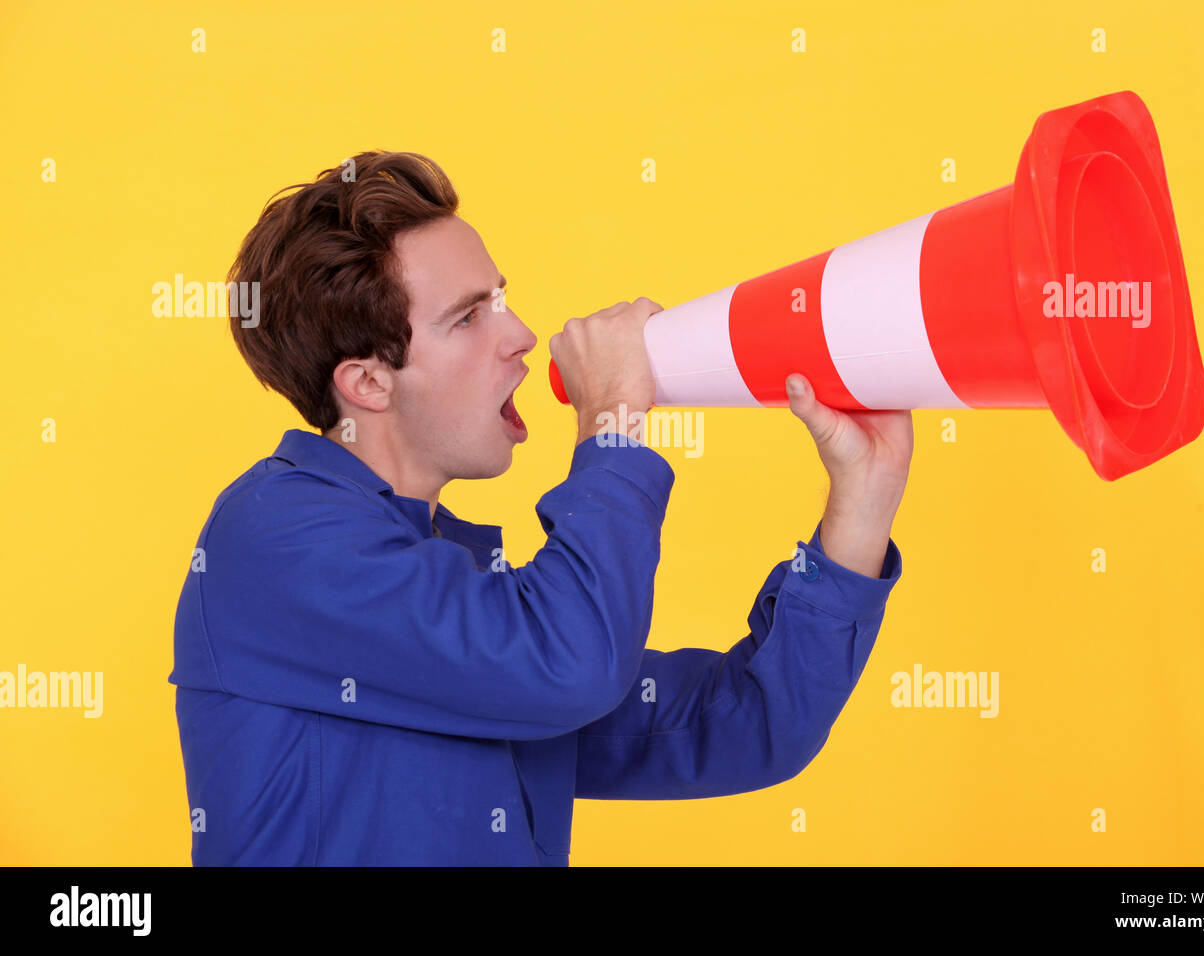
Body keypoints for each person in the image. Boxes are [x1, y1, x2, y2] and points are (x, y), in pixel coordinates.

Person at [169, 151, 913, 865]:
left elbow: (748, 727)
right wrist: (613, 422)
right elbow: (568, 666)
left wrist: (862, 502)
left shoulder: (456, 585)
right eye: (468, 317)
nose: (522, 336)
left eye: (500, 299)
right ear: (369, 383)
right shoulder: (274, 535)